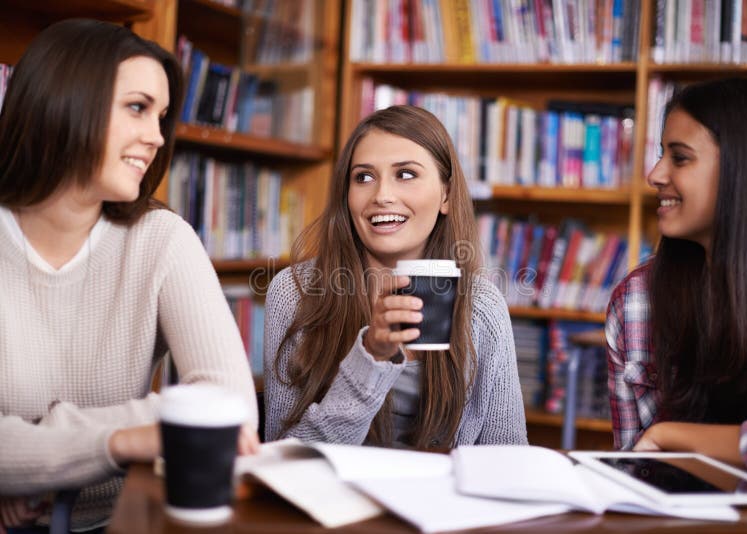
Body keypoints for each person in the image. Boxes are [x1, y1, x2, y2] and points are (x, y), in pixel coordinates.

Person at [0, 18, 259, 532]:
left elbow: (232, 412)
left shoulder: (162, 240)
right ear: (66, 97)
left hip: (129, 521)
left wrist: (31, 460)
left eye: (162, 116)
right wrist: (125, 436)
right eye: (138, 108)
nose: (157, 137)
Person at [263, 105, 526, 448]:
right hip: (334, 500)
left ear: (446, 194)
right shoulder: (294, 293)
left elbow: (506, 460)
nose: (382, 196)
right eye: (364, 177)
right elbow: (283, 461)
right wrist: (371, 356)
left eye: (405, 174)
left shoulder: (482, 307)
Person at [606, 76, 747, 483]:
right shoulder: (637, 299)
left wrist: (677, 437)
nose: (655, 175)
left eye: (680, 158)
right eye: (662, 154)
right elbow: (634, 473)